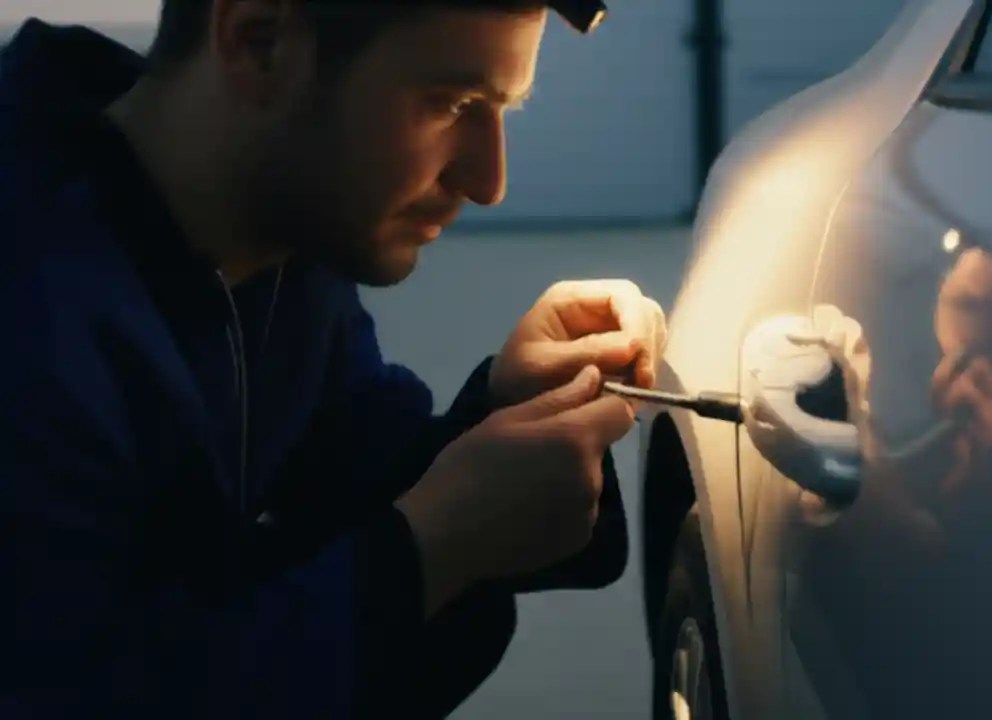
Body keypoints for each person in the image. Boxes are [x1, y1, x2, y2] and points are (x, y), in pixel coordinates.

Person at [1, 1, 667, 717]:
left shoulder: (280, 240)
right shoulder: (30, 300)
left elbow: (354, 487)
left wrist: (508, 410)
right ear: (259, 42)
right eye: (450, 104)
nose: (487, 181)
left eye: (503, 109)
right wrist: (434, 548)